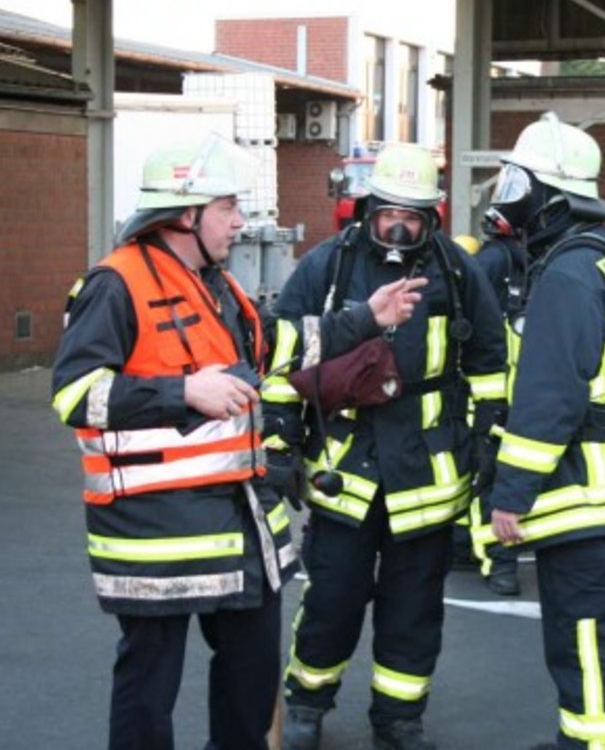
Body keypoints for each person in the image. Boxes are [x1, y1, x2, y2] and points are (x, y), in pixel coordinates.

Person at [51, 133, 426, 750]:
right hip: (156, 535)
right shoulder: (114, 285)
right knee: (148, 690)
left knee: (251, 682)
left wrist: (367, 318)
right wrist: (182, 393)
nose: (240, 221)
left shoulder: (214, 286)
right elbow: (74, 395)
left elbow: (273, 349)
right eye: (228, 207)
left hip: (239, 522)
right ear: (185, 214)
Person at [270, 142, 507, 750]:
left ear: (433, 217)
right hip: (345, 470)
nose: (398, 226)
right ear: (369, 208)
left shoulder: (457, 273)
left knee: (414, 611)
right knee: (332, 601)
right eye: (388, 213)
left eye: (413, 215)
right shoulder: (327, 268)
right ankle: (306, 704)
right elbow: (280, 357)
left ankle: (399, 719)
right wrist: (279, 442)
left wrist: (488, 439)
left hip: (427, 478)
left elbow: (489, 362)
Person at [481, 113, 605, 750]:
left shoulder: (568, 276)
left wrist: (511, 493)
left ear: (547, 196)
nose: (509, 198)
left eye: (517, 184)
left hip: (582, 500)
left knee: (584, 643)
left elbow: (551, 397)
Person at [462, 204, 532, 595]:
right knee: (493, 473)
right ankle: (497, 559)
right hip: (503, 388)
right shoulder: (498, 263)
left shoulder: (512, 261)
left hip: (504, 388)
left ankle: (480, 550)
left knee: (489, 472)